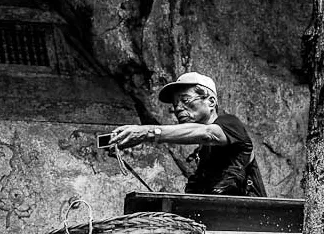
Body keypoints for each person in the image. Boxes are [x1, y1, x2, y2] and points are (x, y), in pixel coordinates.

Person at [109, 71, 265, 196]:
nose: (178, 108)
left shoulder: (231, 124)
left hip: (255, 224)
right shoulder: (203, 152)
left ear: (211, 102)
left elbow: (208, 133)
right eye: (175, 104)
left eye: (185, 100)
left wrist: (147, 132)